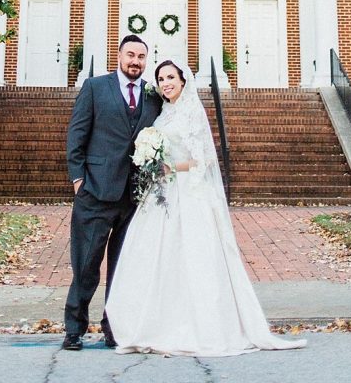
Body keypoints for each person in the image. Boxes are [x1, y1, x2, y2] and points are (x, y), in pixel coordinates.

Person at [106, 59, 307, 356]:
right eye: (161, 79)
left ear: (183, 80)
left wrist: (171, 167)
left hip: (188, 191)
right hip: (162, 192)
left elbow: (204, 159)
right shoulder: (163, 112)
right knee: (153, 256)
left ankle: (199, 327)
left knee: (192, 257)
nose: (165, 83)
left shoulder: (191, 112)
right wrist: (151, 159)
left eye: (170, 77)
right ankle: (154, 325)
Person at [62, 34, 163, 351]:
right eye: (130, 55)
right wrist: (79, 180)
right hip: (95, 191)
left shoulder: (153, 96)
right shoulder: (95, 88)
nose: (135, 61)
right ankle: (74, 329)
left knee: (122, 269)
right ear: (119, 56)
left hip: (133, 198)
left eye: (141, 57)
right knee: (86, 266)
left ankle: (113, 328)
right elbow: (77, 134)